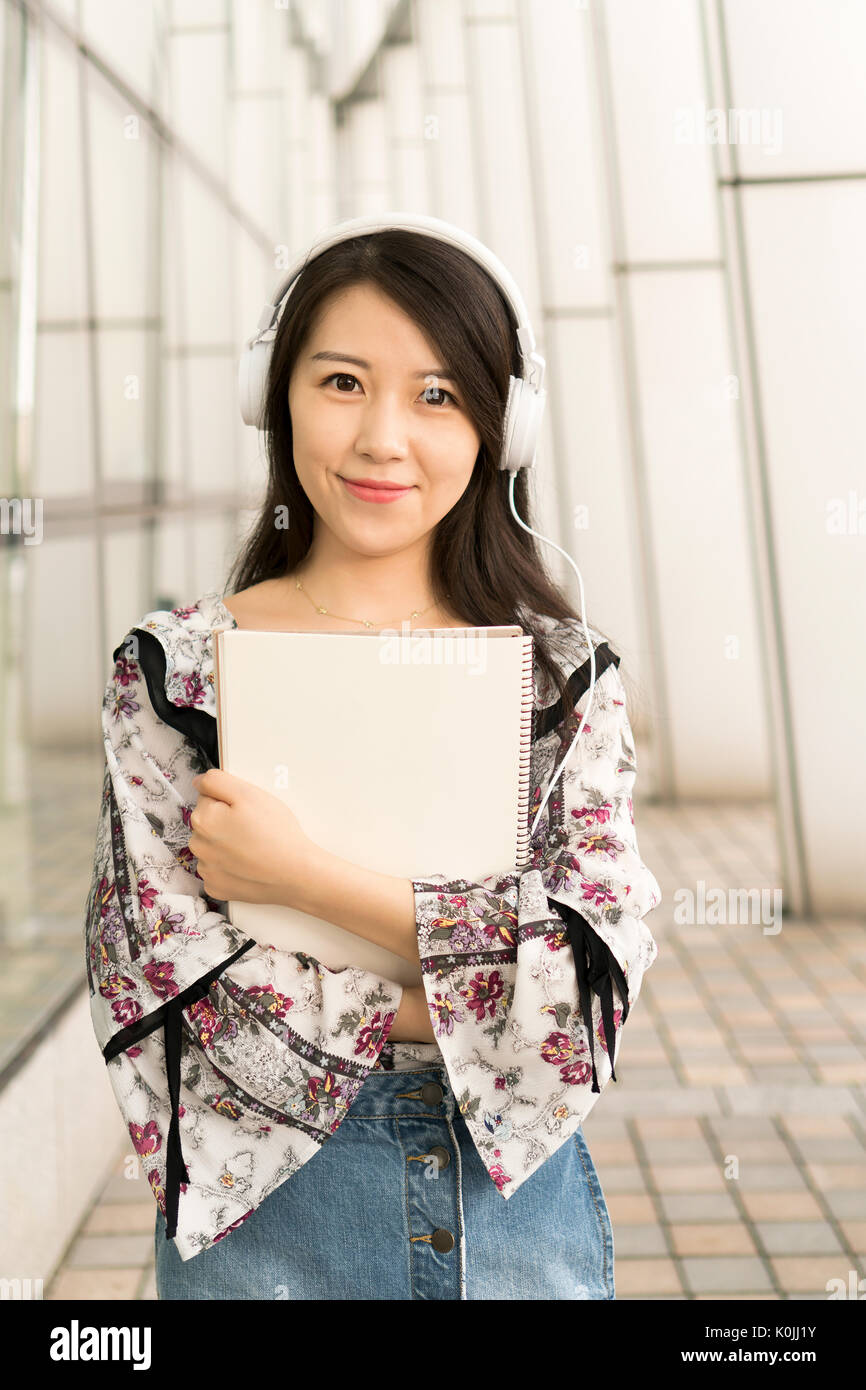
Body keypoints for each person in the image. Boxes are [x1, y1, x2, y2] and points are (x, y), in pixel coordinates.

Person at [85, 223, 662, 1300]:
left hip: (516, 1231)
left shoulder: (564, 676)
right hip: (264, 1233)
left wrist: (301, 881)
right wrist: (485, 974)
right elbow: (177, 999)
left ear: (502, 426)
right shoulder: (174, 673)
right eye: (343, 381)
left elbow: (585, 997)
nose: (382, 438)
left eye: (437, 395)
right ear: (277, 395)